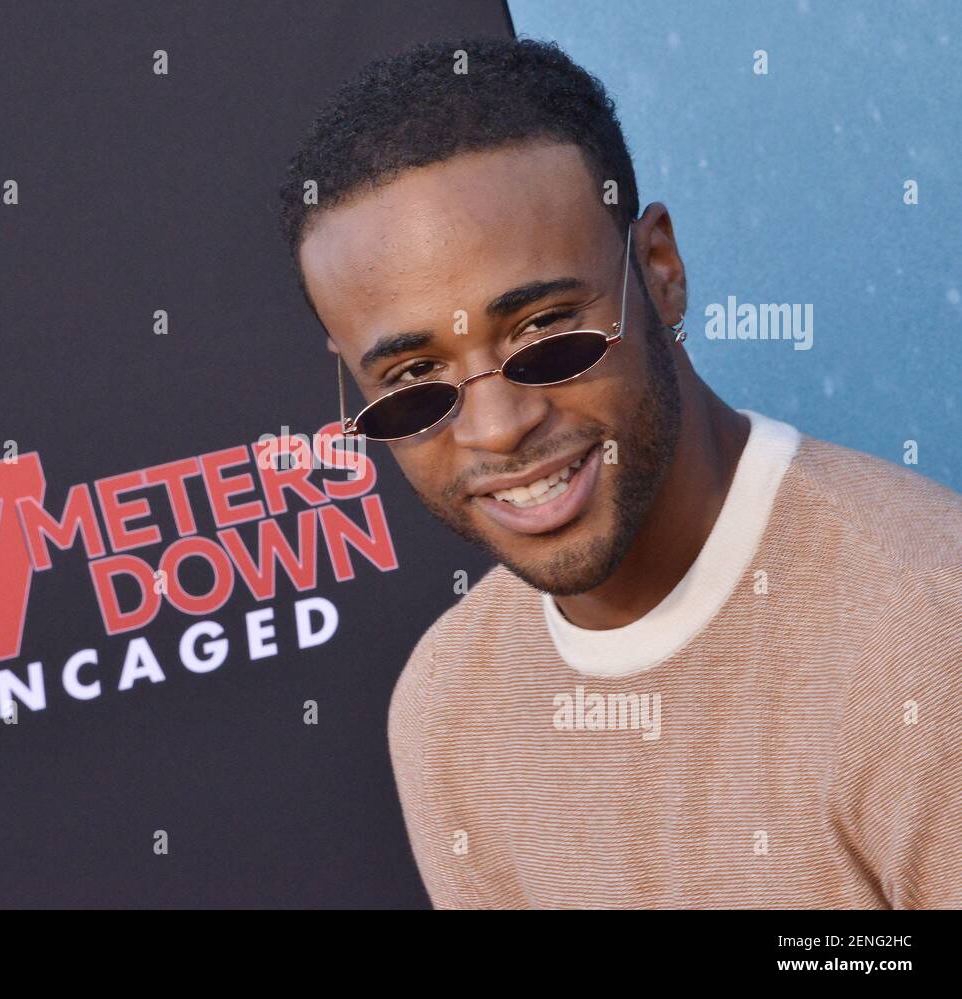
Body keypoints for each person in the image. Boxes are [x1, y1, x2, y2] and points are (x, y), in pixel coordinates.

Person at [276, 36, 962, 908]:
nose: (497, 427)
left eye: (545, 332)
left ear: (661, 273)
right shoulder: (446, 708)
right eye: (415, 383)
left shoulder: (926, 642)